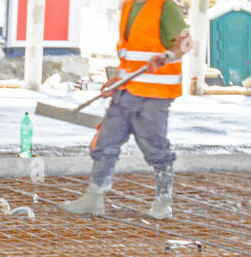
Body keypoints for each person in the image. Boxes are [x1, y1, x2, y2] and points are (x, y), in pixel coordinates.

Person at [61, 0, 192, 221]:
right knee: (105, 142)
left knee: (156, 148)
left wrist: (166, 56)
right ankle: (94, 198)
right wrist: (115, 80)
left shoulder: (164, 6)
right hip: (126, 90)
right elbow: (130, 57)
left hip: (154, 95)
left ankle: (163, 203)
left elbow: (186, 44)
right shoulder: (129, 6)